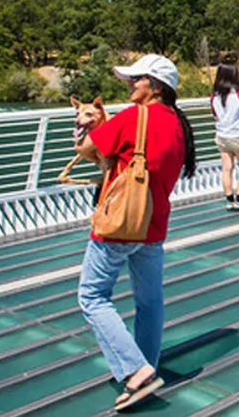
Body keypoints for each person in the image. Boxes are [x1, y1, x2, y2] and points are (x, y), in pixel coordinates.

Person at [74, 54, 196, 411]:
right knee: (149, 300)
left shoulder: (132, 118)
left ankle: (135, 368)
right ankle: (147, 367)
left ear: (155, 86)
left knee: (92, 297)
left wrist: (83, 130)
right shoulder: (178, 124)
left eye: (135, 79)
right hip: (154, 224)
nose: (128, 83)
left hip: (122, 223)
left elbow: (87, 148)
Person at [211, 63, 239, 211]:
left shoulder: (214, 96)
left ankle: (229, 199)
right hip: (238, 135)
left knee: (226, 169)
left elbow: (216, 117)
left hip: (222, 136)